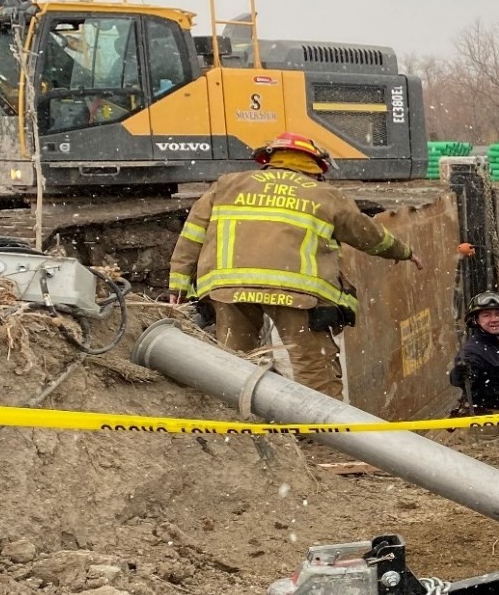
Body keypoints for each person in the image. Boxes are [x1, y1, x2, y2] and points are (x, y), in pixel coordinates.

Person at [168, 131, 419, 396]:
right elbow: (367, 235)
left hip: (228, 289)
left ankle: (242, 429)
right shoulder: (325, 194)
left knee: (235, 365)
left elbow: (192, 236)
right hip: (296, 294)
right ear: (315, 166)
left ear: (270, 159)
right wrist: (403, 252)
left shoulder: (227, 184)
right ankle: (322, 435)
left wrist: (178, 287)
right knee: (313, 370)